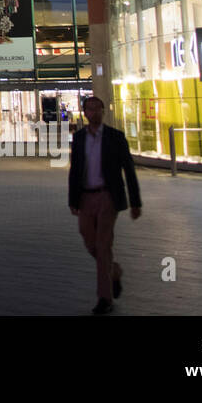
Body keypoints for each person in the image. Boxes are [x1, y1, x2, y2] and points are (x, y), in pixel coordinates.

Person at [68, 95, 142, 314]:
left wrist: (135, 202)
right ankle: (114, 271)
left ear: (103, 111)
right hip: (85, 197)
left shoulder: (115, 137)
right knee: (89, 241)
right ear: (85, 113)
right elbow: (75, 170)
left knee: (102, 246)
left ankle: (104, 298)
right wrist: (73, 200)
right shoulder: (80, 138)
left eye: (97, 109)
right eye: (89, 109)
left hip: (107, 196)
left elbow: (129, 170)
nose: (94, 113)